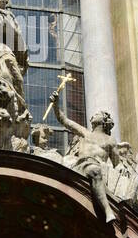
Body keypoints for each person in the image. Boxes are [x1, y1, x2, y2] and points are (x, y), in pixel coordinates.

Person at [47, 91, 120, 223]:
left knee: (95, 170)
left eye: (97, 114)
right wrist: (56, 105)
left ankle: (108, 210)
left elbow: (117, 164)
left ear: (104, 120)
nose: (93, 115)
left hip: (95, 169)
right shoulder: (85, 133)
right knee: (93, 169)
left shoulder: (110, 141)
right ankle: (107, 210)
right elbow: (64, 120)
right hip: (79, 167)